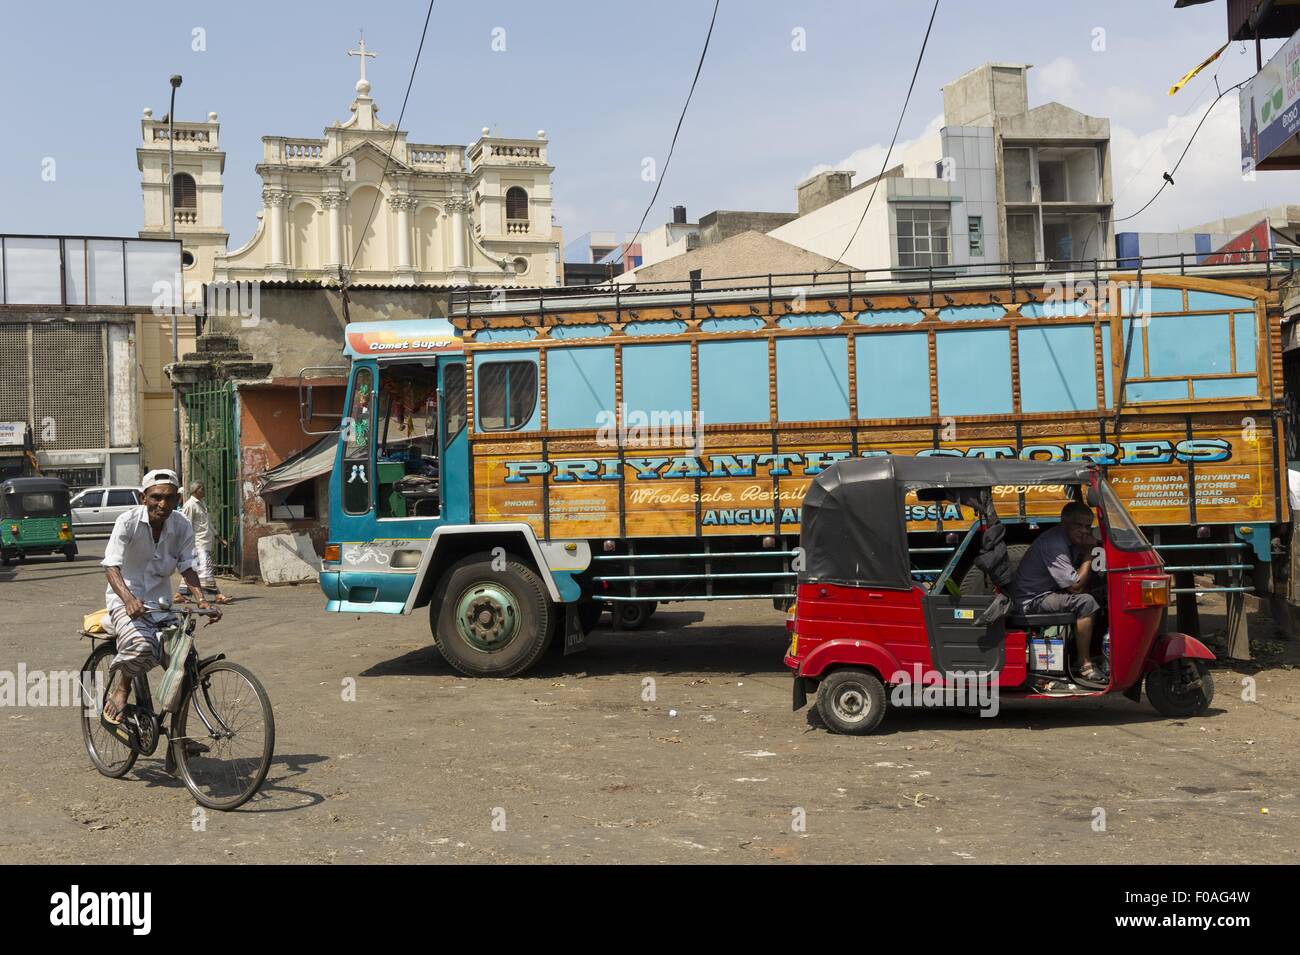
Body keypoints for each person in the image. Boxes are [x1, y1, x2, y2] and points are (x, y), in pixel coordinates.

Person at [100, 469, 222, 750]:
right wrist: (129, 599)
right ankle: (121, 690)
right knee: (141, 645)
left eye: (169, 498)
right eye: (156, 497)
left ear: (178, 499)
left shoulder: (181, 525)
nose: (162, 504)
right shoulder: (127, 521)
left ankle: (177, 742)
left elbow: (187, 565)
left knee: (184, 665)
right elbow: (111, 565)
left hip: (161, 601)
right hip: (124, 597)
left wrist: (203, 601)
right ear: (144, 497)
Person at [1010, 500, 1105, 684]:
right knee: (1086, 602)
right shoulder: (1054, 544)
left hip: (1047, 592)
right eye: (1078, 525)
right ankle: (1084, 664)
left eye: (1088, 526)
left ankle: (1093, 653)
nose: (1084, 531)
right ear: (1064, 522)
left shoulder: (1072, 539)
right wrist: (1089, 553)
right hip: (1032, 600)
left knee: (1099, 595)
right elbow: (1075, 586)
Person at [177, 480, 230, 604]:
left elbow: (208, 523)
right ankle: (217, 594)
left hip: (205, 541)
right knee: (207, 568)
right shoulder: (190, 505)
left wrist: (218, 537)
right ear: (195, 490)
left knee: (194, 569)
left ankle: (179, 594)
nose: (204, 491)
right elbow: (186, 524)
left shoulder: (202, 503)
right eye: (202, 489)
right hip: (197, 543)